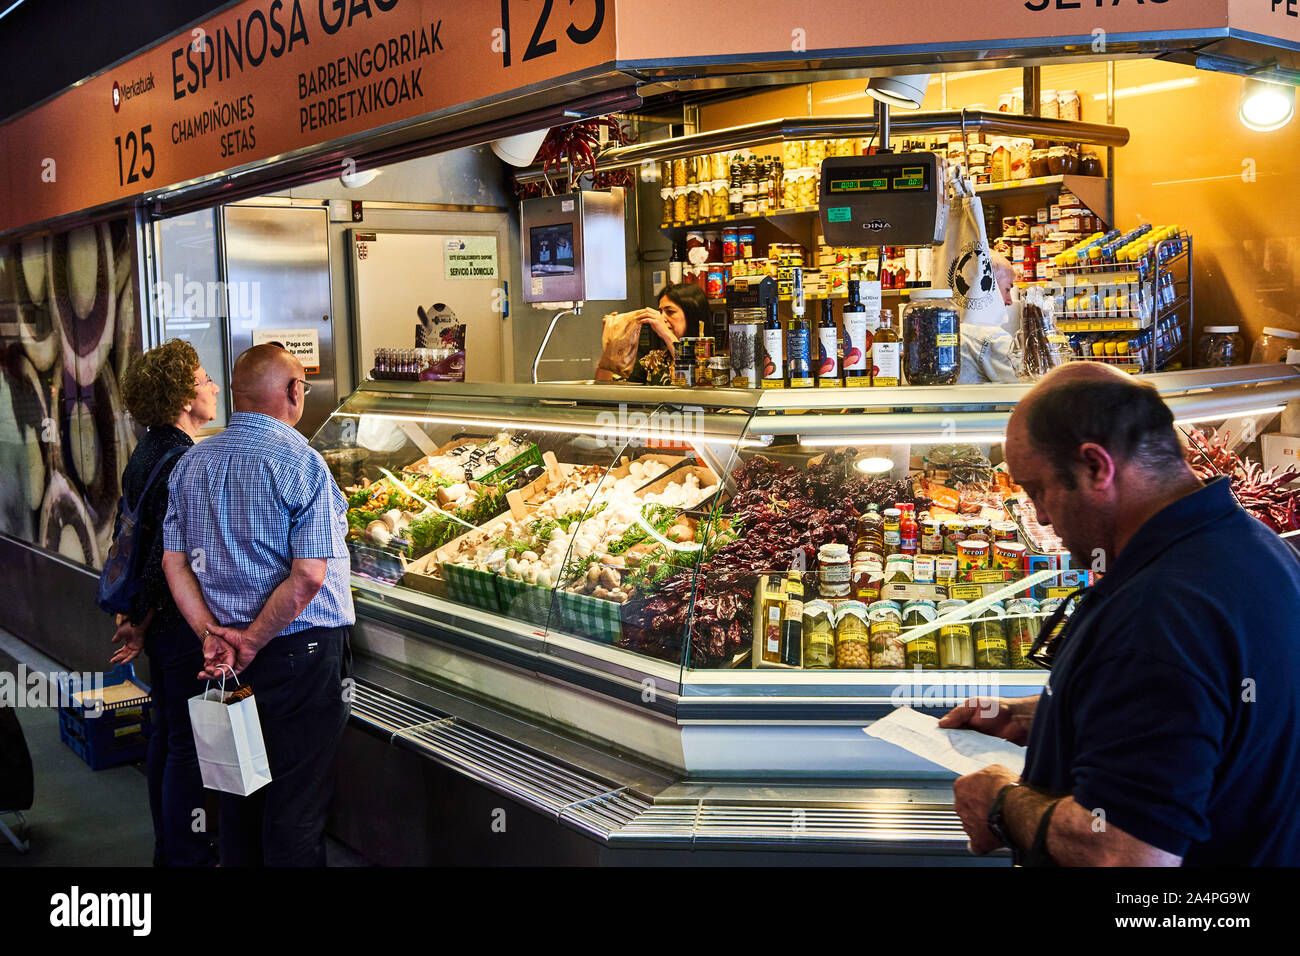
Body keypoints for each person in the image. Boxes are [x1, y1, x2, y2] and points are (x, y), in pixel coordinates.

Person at [940, 361, 1300, 866]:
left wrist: (1000, 801)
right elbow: (1198, 713)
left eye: (1037, 488)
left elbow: (1128, 853)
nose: (1040, 514)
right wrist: (1048, 714)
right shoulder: (1252, 545)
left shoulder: (1161, 613)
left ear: (1095, 467)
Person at [161, 344, 354, 867]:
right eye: (303, 388)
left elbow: (174, 564)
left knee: (239, 796)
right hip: (299, 656)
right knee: (295, 808)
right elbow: (311, 574)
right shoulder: (303, 463)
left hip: (223, 663)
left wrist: (212, 634)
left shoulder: (191, 462)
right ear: (293, 392)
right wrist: (252, 640)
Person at [113, 339, 220, 867]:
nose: (214, 387)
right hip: (179, 623)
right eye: (203, 380)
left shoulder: (147, 451)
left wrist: (132, 618)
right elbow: (162, 561)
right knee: (187, 746)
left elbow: (129, 539)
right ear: (183, 397)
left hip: (157, 623)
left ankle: (167, 848)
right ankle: (187, 856)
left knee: (167, 732)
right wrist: (145, 619)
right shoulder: (185, 460)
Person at [596, 282, 709, 383]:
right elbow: (606, 392)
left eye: (670, 312)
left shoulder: (712, 361)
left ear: (692, 315)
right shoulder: (653, 361)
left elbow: (695, 381)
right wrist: (612, 343)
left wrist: (666, 333)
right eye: (660, 312)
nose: (662, 318)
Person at [958, 251, 1019, 384]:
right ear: (990, 287)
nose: (1009, 301)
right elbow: (1021, 386)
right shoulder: (993, 338)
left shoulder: (944, 329)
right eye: (1007, 289)